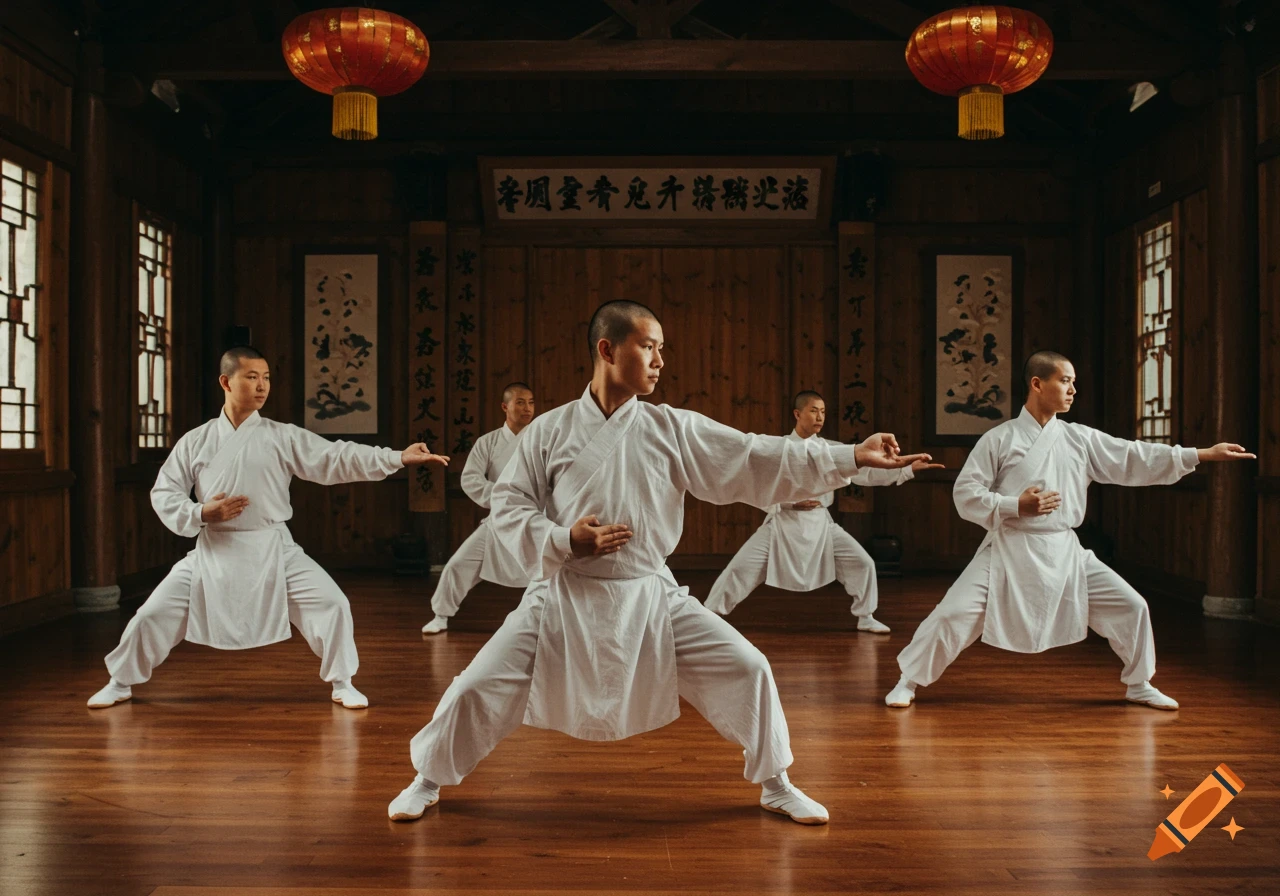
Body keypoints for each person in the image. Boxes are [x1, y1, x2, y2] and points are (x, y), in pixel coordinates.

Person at [389, 300, 930, 824]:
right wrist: (563, 540)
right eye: (648, 347)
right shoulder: (547, 432)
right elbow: (508, 509)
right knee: (474, 685)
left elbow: (753, 455)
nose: (660, 361)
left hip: (649, 592)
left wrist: (851, 455)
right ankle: (427, 778)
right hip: (563, 593)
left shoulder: (671, 427)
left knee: (749, 667)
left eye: (661, 349)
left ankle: (777, 783)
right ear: (607, 349)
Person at [884, 350, 1255, 711]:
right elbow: (966, 494)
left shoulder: (1080, 439)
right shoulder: (999, 439)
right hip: (1010, 548)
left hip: (1064, 550)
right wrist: (1016, 505)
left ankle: (1140, 684)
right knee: (953, 614)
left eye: (1074, 382)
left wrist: (1201, 454)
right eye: (1065, 381)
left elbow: (1132, 456)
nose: (1073, 390)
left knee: (1131, 606)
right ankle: (908, 680)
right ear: (1037, 384)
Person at [87, 346, 448, 711]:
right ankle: (120, 681)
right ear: (226, 382)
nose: (262, 386)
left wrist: (395, 457)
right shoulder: (195, 441)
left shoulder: (281, 436)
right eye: (252, 377)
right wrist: (200, 513)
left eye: (267, 378)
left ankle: (343, 681)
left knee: (332, 603)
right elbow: (164, 492)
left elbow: (334, 458)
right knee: (152, 614)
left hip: (273, 547)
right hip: (214, 549)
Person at [705, 390, 941, 630]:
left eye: (823, 412)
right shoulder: (779, 449)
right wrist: (787, 502)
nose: (820, 417)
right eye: (813, 411)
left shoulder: (831, 449)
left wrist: (908, 470)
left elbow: (866, 472)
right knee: (739, 568)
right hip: (783, 523)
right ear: (797, 414)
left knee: (863, 563)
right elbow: (759, 483)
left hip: (820, 523)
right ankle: (708, 616)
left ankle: (866, 616)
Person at [422, 383, 536, 634]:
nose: (527, 408)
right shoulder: (489, 442)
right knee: (458, 564)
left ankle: (553, 619)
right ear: (505, 407)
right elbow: (470, 479)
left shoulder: (541, 439)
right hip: (500, 517)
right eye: (520, 402)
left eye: (530, 402)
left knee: (551, 570)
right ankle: (441, 615)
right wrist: (502, 496)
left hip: (534, 518)